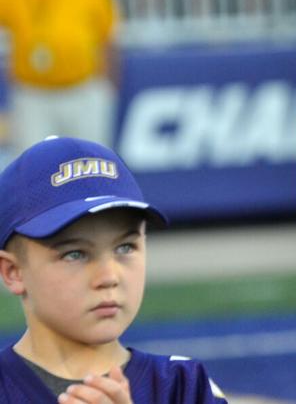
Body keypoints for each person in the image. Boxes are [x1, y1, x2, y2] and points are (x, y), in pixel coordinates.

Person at [0, 136, 228, 402]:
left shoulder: (183, 385)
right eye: (75, 254)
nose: (108, 277)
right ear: (13, 272)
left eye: (125, 248)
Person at [0, 0, 120, 154]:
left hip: (83, 90)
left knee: (92, 164)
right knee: (35, 170)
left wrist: (107, 89)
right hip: (32, 94)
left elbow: (109, 34)